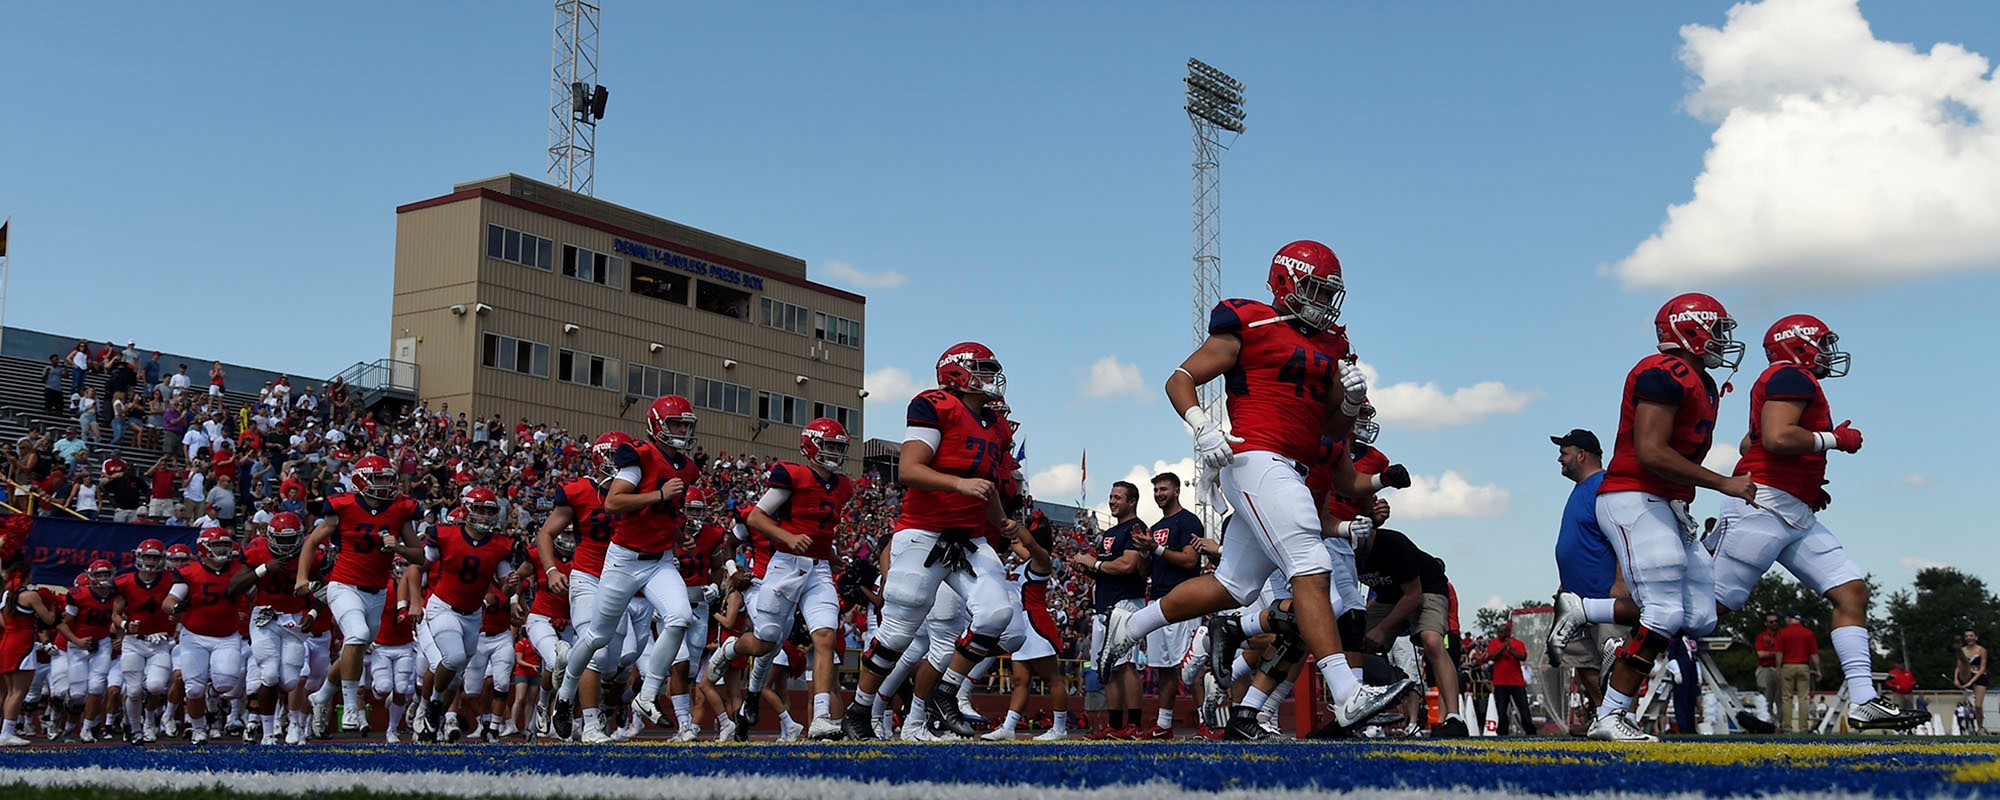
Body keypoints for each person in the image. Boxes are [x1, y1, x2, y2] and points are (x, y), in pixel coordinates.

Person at [1106, 240, 1414, 739]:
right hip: (1254, 457)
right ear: (1287, 281)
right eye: (1314, 287)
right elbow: (1180, 378)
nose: (1322, 300)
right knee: (1311, 566)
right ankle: (1348, 694)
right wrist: (1201, 424)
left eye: (1328, 291)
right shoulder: (1249, 321)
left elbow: (1331, 430)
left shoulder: (1333, 342)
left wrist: (1352, 401)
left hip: (1291, 465)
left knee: (1234, 587)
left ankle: (1132, 627)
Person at [1708, 314, 1925, 731]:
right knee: (1705, 611)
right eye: (1821, 343)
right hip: (1764, 506)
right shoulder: (1792, 376)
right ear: (1799, 344)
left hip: (1790, 508)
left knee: (1852, 592)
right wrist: (1834, 441)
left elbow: (1749, 442)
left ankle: (1864, 701)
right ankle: (1595, 616)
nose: (1827, 352)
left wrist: (1806, 484)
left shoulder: (1784, 379)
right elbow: (1775, 439)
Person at [1586, 293, 1758, 742]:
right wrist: (1724, 483)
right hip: (1633, 495)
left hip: (1667, 503)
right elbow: (1651, 450)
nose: (1724, 340)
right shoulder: (1665, 372)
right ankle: (1610, 715)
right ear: (1691, 329)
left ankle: (1592, 620)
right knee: (1662, 611)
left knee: (1701, 617)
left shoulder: (1701, 380)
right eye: (1717, 329)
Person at [839, 342, 1020, 740]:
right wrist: (958, 482)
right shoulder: (934, 405)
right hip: (922, 531)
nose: (991, 378)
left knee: (996, 614)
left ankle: (945, 691)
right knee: (899, 633)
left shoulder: (998, 425)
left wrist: (1001, 520)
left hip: (970, 537)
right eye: (983, 369)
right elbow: (909, 469)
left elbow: (986, 488)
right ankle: (858, 710)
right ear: (956, 372)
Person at [557, 395, 701, 744]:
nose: (682, 430)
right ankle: (564, 696)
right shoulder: (639, 456)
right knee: (597, 637)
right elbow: (614, 501)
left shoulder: (687, 466)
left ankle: (648, 695)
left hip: (660, 560)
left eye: (686, 424)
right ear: (656, 426)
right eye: (675, 424)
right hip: (623, 560)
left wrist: (679, 533)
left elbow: (667, 511)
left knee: (680, 617)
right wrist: (660, 496)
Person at [701, 419, 853, 741]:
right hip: (781, 569)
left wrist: (830, 555)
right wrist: (785, 536)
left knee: (825, 635)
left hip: (818, 568)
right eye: (830, 446)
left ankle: (822, 717)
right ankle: (730, 649)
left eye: (840, 447)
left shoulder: (843, 487)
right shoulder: (791, 476)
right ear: (811, 445)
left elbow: (822, 530)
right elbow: (756, 517)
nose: (836, 453)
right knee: (766, 640)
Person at [294, 453, 426, 735]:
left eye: (388, 479)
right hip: (344, 585)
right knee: (355, 635)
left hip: (377, 592)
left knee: (352, 650)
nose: (386, 485)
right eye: (379, 479)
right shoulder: (342, 506)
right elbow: (312, 541)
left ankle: (322, 696)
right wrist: (302, 576)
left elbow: (421, 557)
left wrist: (399, 548)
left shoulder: (400, 509)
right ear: (360, 480)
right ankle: (351, 707)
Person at [1545, 428, 1635, 730]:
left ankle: (1622, 716)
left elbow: (1624, 534)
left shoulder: (1604, 486)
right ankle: (1602, 715)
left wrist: (1621, 581)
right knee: (1581, 659)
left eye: (1564, 451)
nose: (1560, 457)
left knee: (1616, 655)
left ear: (1581, 455)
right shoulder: (1583, 488)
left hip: (1604, 593)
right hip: (1574, 593)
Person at [414, 488, 517, 742]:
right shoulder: (445, 535)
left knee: (455, 676)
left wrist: (511, 586)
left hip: (472, 616)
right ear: (467, 509)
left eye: (489, 511)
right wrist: (415, 601)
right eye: (480, 509)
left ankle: (433, 714)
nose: (484, 515)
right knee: (453, 657)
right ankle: (432, 706)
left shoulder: (499, 545)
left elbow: (504, 584)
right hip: (443, 607)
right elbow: (418, 566)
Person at [1073, 481, 1150, 739]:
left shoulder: (1136, 529)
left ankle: (1135, 724)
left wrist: (1093, 565)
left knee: (1126, 665)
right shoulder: (1109, 533)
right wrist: (1090, 569)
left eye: (1118, 497)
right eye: (1110, 496)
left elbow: (1129, 565)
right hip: (1105, 604)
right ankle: (1116, 725)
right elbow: (1107, 569)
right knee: (1110, 667)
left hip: (1127, 603)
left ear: (1132, 501)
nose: (1112, 501)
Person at [1140, 472, 1206, 739]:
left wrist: (1154, 548)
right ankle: (1164, 724)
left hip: (1185, 598)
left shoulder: (1189, 521)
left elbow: (1190, 561)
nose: (1159, 494)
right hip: (1158, 600)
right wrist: (1145, 551)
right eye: (1156, 490)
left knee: (1192, 667)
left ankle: (1207, 722)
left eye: (1163, 489)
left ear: (1177, 491)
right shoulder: (1154, 527)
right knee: (1163, 667)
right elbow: (1145, 570)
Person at [1473, 620, 1533, 735]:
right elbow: (1493, 656)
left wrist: (1511, 650)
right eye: (1499, 632)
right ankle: (1502, 732)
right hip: (1500, 682)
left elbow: (1523, 656)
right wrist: (1503, 647)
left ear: (1508, 632)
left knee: (1523, 709)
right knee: (1501, 710)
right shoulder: (1494, 643)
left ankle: (1530, 730)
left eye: (1502, 632)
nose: (1500, 634)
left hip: (1517, 682)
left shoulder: (1517, 643)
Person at [1774, 610, 1820, 733]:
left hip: (1787, 666)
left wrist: (1778, 668)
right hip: (1803, 666)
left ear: (1789, 619)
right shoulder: (1808, 633)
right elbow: (1814, 654)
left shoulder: (1782, 633)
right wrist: (1818, 670)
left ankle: (1787, 726)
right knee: (1803, 698)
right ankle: (1803, 727)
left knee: (1786, 698)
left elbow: (1779, 652)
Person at [1958, 630, 1988, 734]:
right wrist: (1956, 679)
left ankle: (1980, 727)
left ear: (1976, 637)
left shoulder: (1982, 650)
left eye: (1971, 636)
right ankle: (1968, 728)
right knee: (1966, 704)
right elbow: (1958, 666)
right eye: (1966, 636)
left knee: (1978, 706)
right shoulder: (1962, 650)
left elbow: (1983, 668)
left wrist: (1972, 681)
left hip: (1979, 676)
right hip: (1966, 674)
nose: (1969, 638)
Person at [1754, 614, 1783, 718]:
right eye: (1771, 622)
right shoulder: (1761, 636)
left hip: (1780, 668)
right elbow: (1761, 654)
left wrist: (1771, 649)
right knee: (1767, 698)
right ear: (1766, 623)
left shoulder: (1782, 635)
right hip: (1765, 669)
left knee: (1781, 698)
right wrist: (1777, 653)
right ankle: (1768, 722)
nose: (1774, 623)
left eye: (1776, 621)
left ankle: (1781, 723)